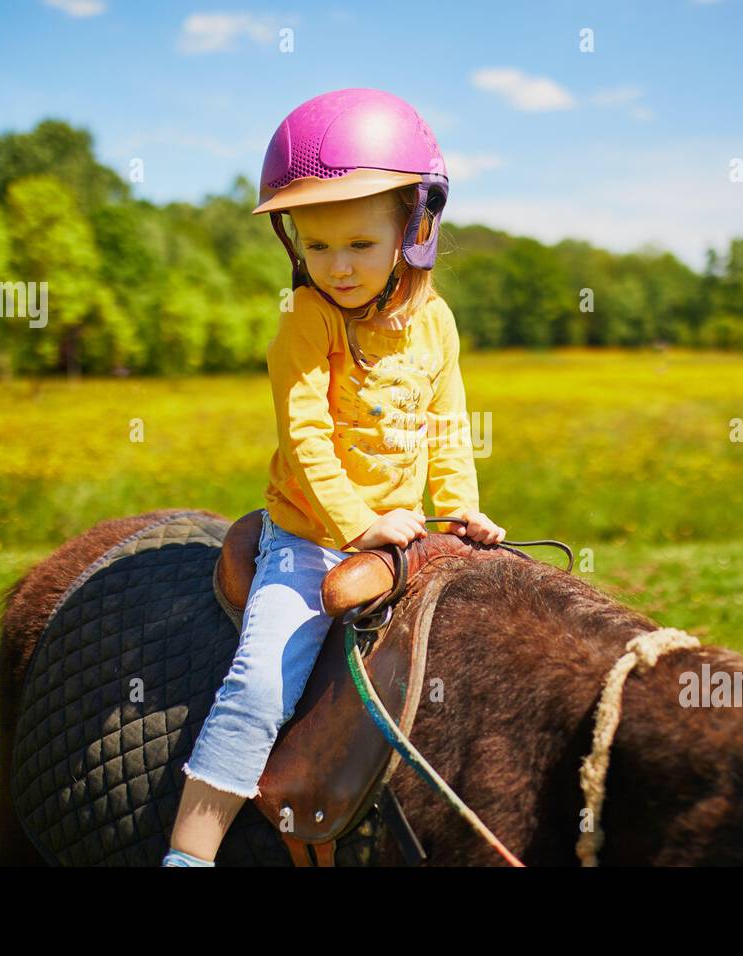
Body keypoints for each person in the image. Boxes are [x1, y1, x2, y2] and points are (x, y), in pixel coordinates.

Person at [162, 88, 505, 866]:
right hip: (313, 539)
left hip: (404, 540)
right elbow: (305, 433)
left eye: (357, 243)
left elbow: (447, 423)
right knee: (259, 687)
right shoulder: (307, 318)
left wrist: (461, 511)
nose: (338, 267)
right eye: (318, 248)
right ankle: (189, 850)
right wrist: (356, 523)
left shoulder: (436, 322)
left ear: (412, 229)